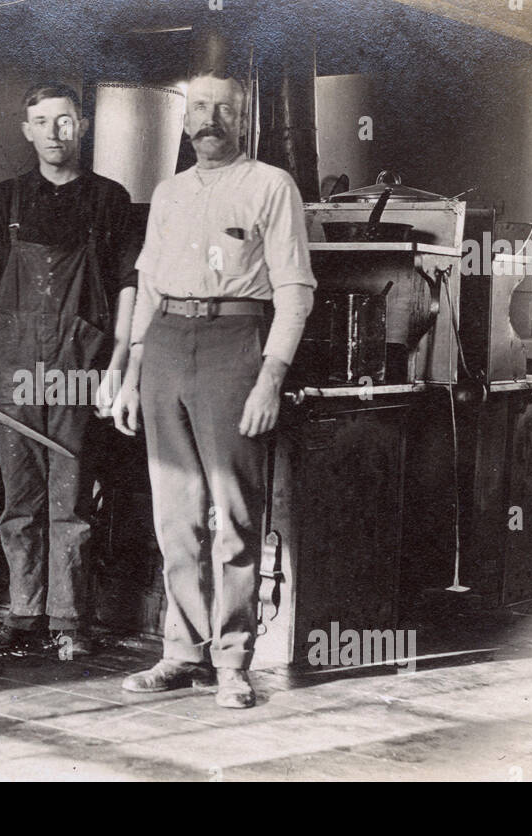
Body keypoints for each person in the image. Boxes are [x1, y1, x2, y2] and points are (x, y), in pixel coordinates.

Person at [111, 70, 316, 708]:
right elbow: (147, 286)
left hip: (236, 343)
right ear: (185, 119)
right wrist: (132, 372)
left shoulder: (271, 186)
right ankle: (180, 652)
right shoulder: (168, 193)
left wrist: (270, 377)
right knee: (174, 516)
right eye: (198, 108)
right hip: (166, 342)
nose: (209, 119)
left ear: (241, 117)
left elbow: (295, 291)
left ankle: (232, 661)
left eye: (222, 109)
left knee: (233, 514)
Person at [0, 82, 139, 656]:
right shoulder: (7, 199)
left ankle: (70, 620)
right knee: (19, 501)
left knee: (72, 500)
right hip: (13, 367)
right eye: (42, 121)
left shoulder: (109, 199)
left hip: (77, 367)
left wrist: (118, 363)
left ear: (80, 126)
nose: (55, 132)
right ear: (27, 129)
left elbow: (129, 287)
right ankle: (23, 615)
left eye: (65, 121)